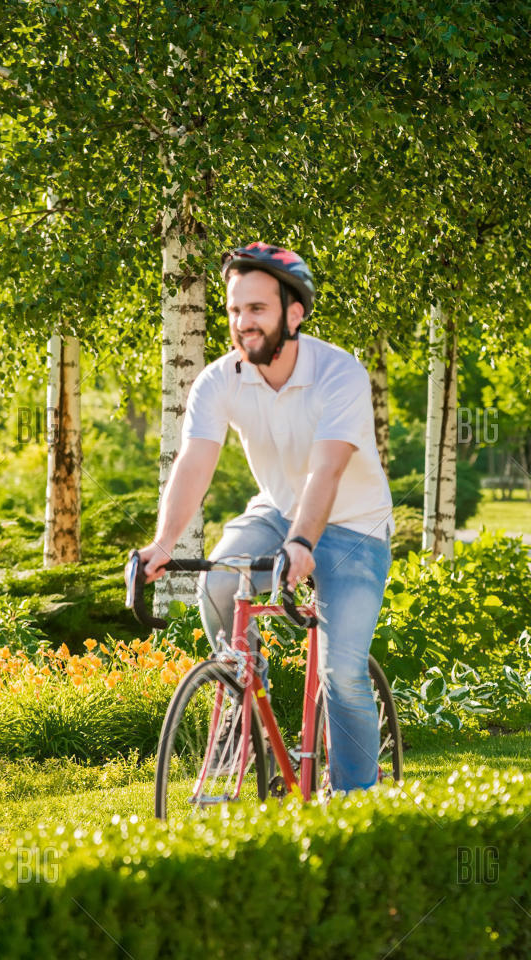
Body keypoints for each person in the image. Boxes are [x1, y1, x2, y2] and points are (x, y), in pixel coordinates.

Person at [136, 241, 394, 792]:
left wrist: (302, 542)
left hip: (354, 526)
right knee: (222, 580)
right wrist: (163, 544)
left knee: (342, 672)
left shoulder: (339, 373)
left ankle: (355, 800)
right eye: (233, 310)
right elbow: (194, 463)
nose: (241, 323)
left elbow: (326, 472)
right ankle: (249, 699)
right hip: (278, 510)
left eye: (256, 309)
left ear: (293, 313)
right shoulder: (219, 378)